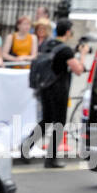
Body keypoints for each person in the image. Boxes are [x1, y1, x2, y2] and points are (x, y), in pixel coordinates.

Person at [34, 18, 84, 169]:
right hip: (59, 89)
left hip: (44, 86)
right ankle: (51, 159)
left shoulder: (47, 44)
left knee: (46, 119)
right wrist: (82, 54)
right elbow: (78, 70)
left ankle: (26, 147)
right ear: (68, 32)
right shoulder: (66, 50)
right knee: (59, 123)